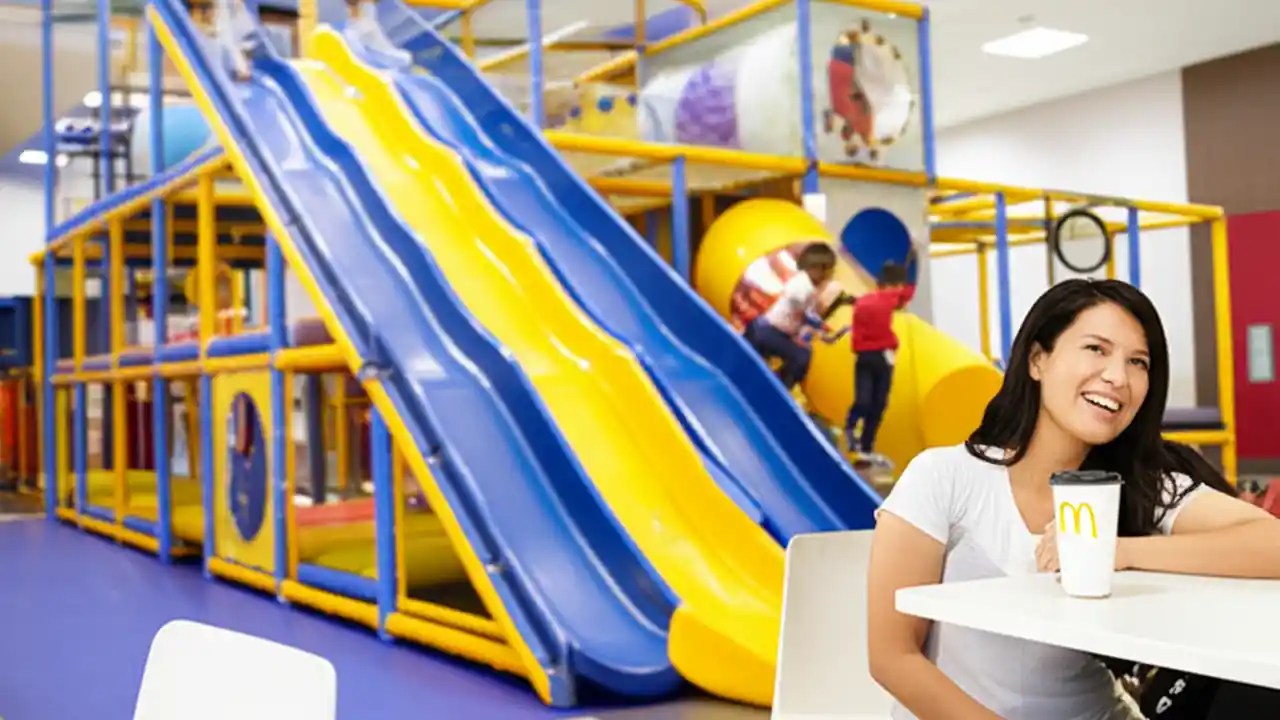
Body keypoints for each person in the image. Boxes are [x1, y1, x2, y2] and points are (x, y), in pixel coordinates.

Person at [867, 279, 1280, 720]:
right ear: (1038, 360)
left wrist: (1117, 551)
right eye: (1097, 349)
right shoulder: (946, 477)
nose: (1118, 377)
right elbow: (892, 657)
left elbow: (1270, 544)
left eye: (1138, 361)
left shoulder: (1142, 485)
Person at [843, 258, 915, 466]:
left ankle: (859, 438)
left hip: (873, 357)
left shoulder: (866, 300)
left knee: (871, 402)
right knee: (874, 403)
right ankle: (860, 438)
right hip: (876, 356)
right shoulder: (885, 298)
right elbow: (908, 292)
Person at [744, 242, 842, 390]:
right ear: (816, 269)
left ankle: (773, 384)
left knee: (801, 351)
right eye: (828, 270)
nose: (829, 275)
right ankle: (777, 390)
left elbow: (803, 318)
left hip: (769, 331)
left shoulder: (807, 285)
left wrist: (820, 328)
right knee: (802, 356)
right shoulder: (803, 286)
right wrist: (819, 330)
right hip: (767, 331)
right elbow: (805, 315)